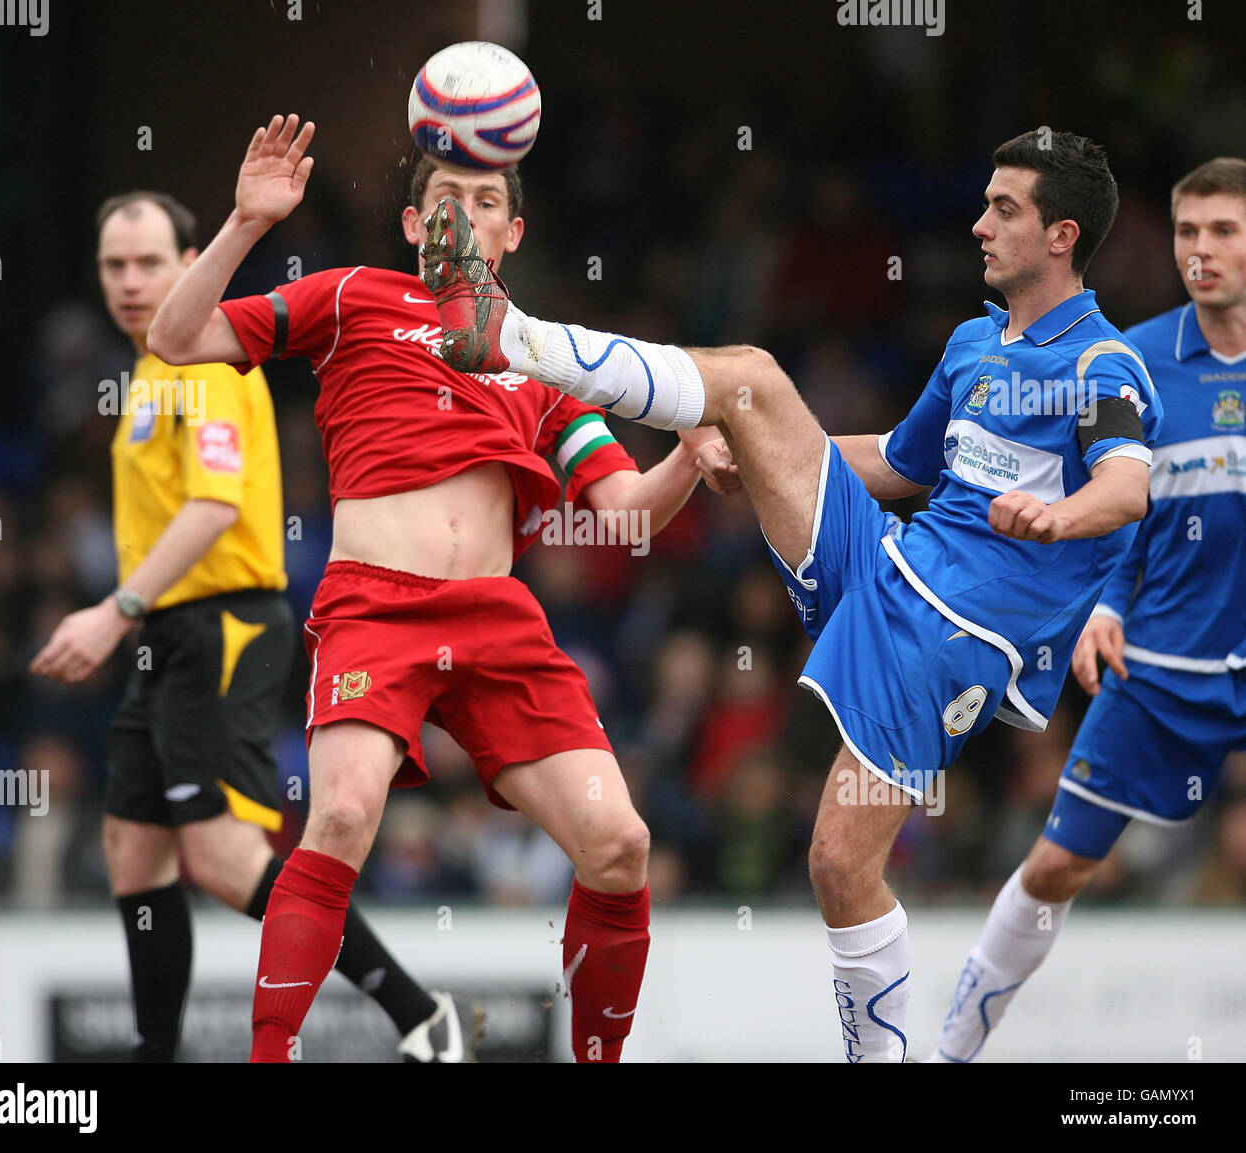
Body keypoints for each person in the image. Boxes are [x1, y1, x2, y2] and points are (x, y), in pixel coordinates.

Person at [426, 128, 1163, 1062]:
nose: (978, 224)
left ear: (1062, 236)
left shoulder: (1102, 365)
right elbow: (898, 462)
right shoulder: (975, 340)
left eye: (1004, 209)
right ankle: (511, 337)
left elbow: (1128, 485)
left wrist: (1058, 518)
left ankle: (512, 337)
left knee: (838, 864)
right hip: (891, 562)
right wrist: (764, 459)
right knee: (751, 389)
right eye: (982, 202)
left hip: (953, 630)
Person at [147, 115, 733, 1063]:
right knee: (341, 815)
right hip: (375, 605)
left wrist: (690, 459)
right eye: (446, 198)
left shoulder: (540, 357)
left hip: (498, 620)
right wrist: (248, 222)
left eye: (486, 200)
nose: (465, 213)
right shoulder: (351, 296)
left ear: (513, 233)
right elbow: (175, 338)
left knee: (621, 844)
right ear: (415, 225)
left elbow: (625, 512)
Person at [31, 189, 472, 1063]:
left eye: (150, 262)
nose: (130, 281)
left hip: (220, 625)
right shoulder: (152, 371)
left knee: (226, 860)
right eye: (115, 265)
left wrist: (115, 611)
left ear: (190, 261)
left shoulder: (202, 365)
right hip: (169, 634)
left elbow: (215, 505)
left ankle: (422, 1014)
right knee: (132, 848)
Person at [928, 156, 1246, 1062]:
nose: (1200, 250)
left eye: (1224, 230)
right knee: (1059, 862)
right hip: (1161, 664)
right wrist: (1106, 605)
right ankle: (950, 1052)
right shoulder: (1131, 360)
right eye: (1187, 231)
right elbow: (1113, 499)